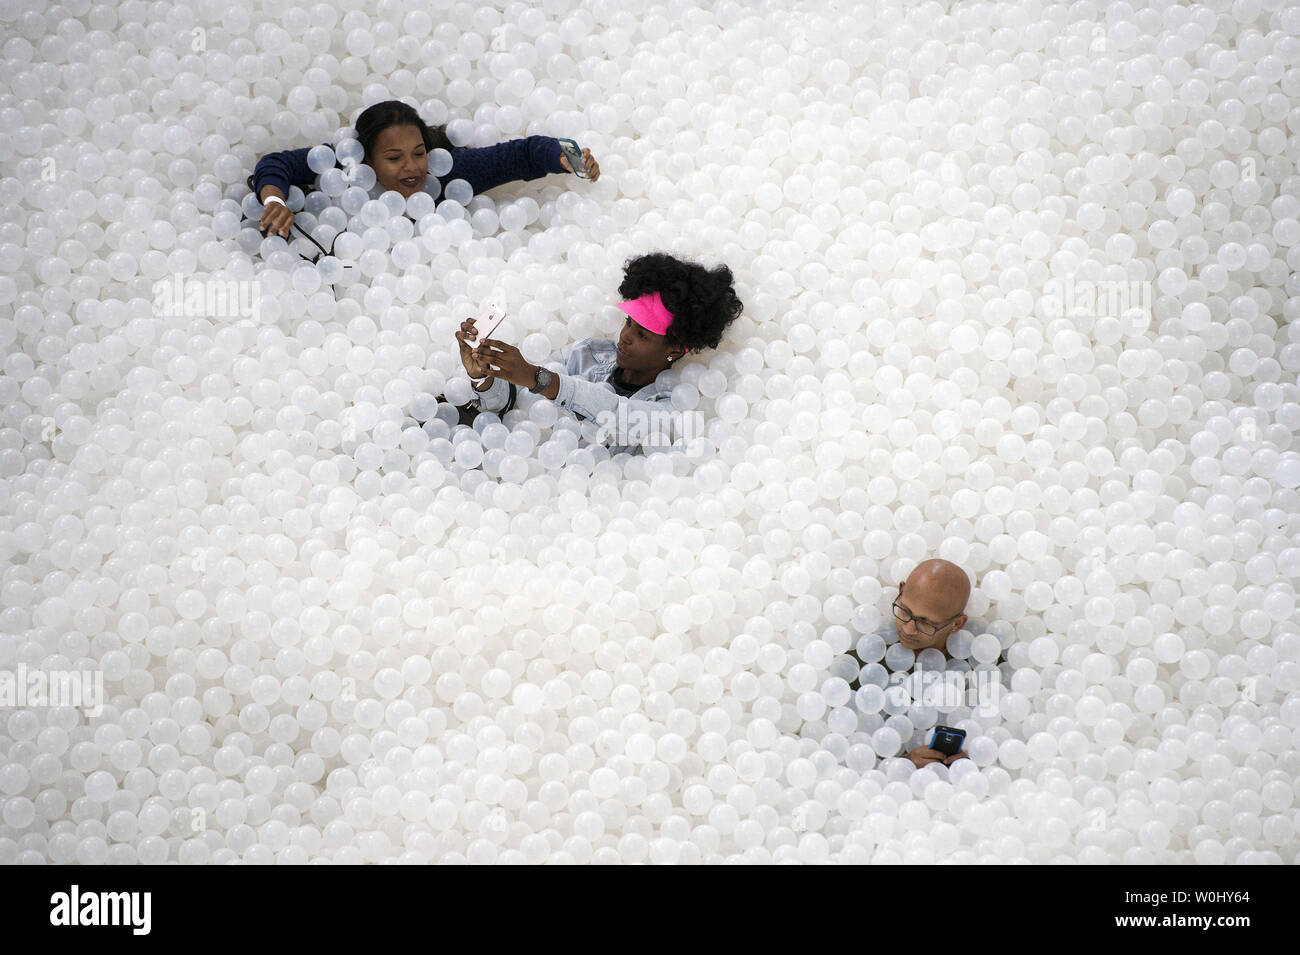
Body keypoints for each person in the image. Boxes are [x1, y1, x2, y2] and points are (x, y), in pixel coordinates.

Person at [450, 252, 743, 455]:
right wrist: (485, 379)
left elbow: (618, 415)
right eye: (629, 322)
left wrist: (536, 377)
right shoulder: (587, 354)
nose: (626, 336)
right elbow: (518, 408)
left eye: (643, 334)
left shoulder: (676, 403)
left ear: (675, 349)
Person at [250, 99, 600, 238]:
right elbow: (274, 163)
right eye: (394, 158)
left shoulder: (446, 175)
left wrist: (563, 156)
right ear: (367, 158)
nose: (411, 167)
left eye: (418, 152)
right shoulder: (342, 171)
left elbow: (520, 154)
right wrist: (275, 203)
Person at [837, 559, 992, 769]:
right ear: (900, 592)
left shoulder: (979, 667)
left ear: (956, 624)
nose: (908, 629)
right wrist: (904, 764)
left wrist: (969, 763)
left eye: (926, 622)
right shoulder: (863, 662)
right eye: (905, 611)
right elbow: (847, 750)